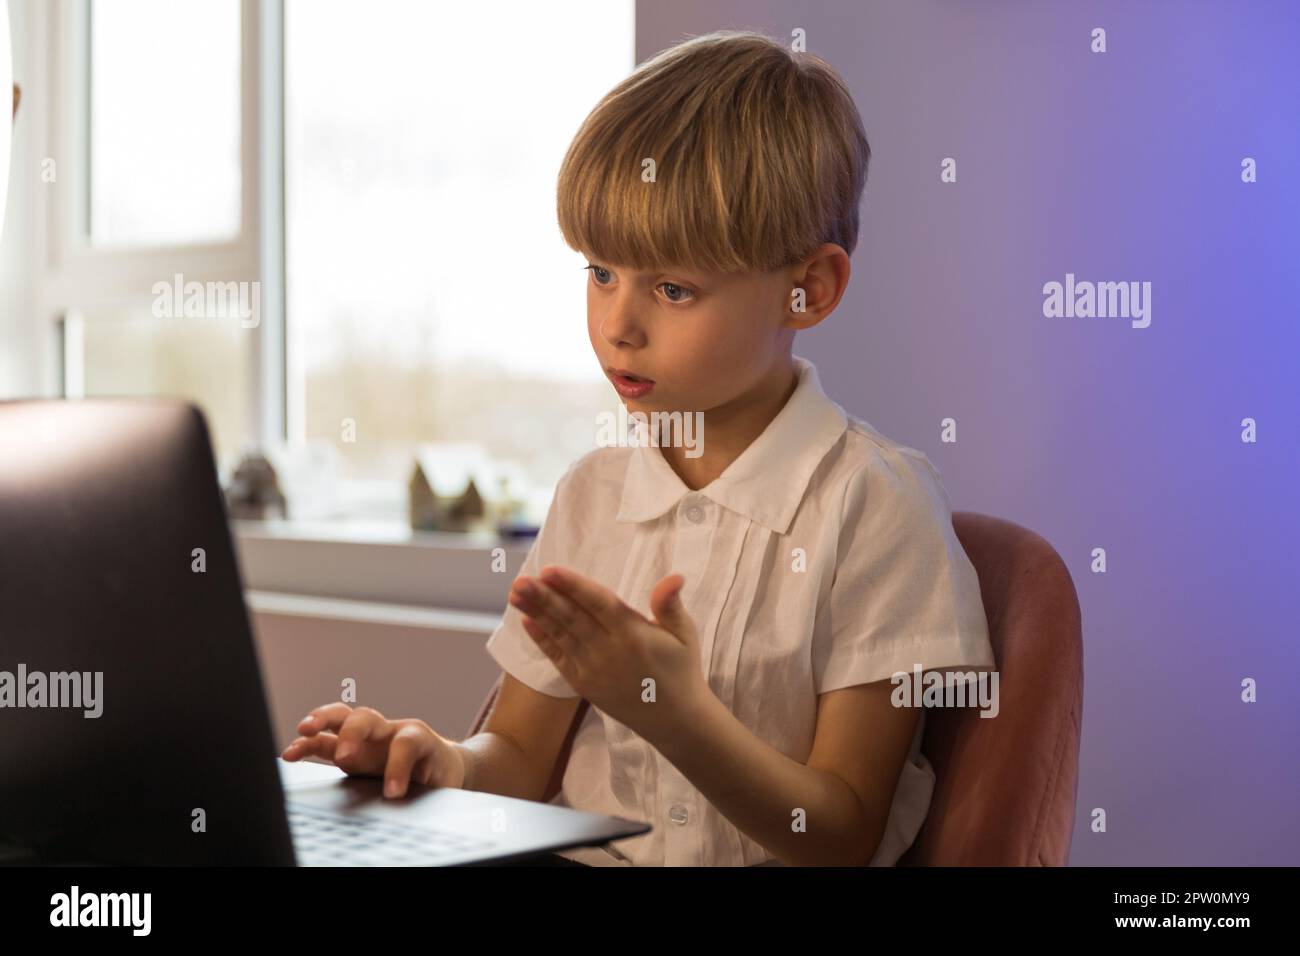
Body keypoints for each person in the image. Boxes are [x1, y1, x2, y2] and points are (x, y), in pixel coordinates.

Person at [282, 30, 995, 867]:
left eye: (673, 289)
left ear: (812, 288)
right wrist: (438, 761)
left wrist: (676, 713)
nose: (618, 326)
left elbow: (840, 833)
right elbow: (515, 759)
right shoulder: (592, 496)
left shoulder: (876, 506)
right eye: (600, 272)